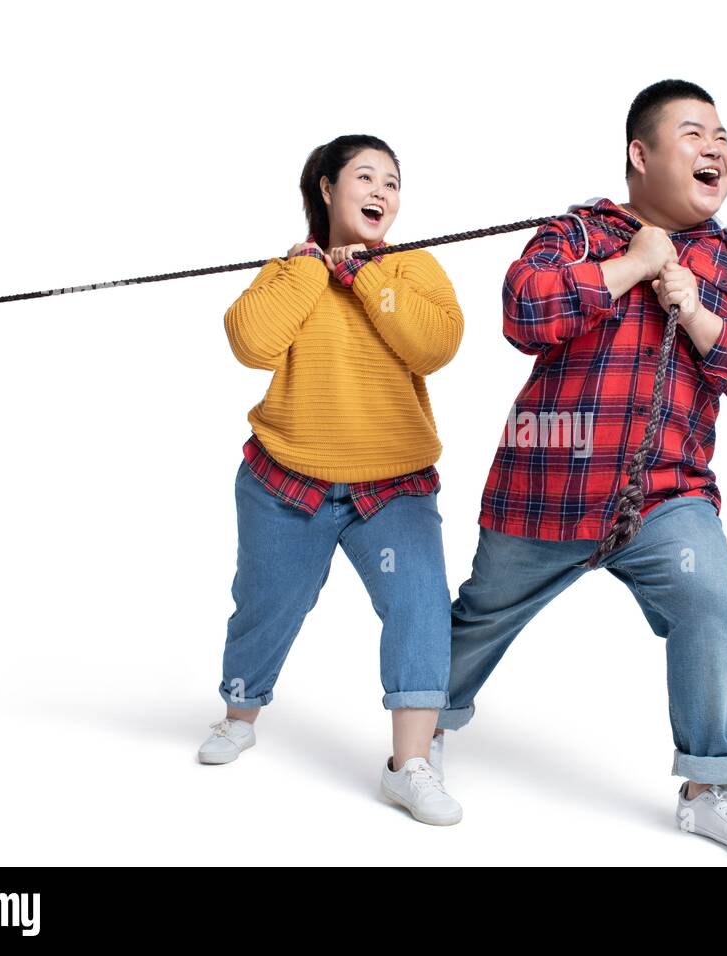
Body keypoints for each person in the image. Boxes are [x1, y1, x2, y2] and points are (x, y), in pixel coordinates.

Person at [433, 80, 727, 856]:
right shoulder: (575, 234)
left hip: (665, 499)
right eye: (694, 133)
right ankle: (420, 733)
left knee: (711, 604)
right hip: (546, 491)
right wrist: (630, 265)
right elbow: (522, 313)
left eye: (723, 136)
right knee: (475, 619)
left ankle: (708, 787)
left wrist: (699, 312)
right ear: (640, 155)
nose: (716, 148)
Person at [199, 134, 467, 827]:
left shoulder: (411, 270)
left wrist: (366, 277)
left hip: (392, 487)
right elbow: (250, 342)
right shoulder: (290, 273)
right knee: (266, 604)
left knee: (421, 607)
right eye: (365, 177)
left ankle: (409, 764)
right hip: (287, 479)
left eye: (394, 182)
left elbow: (434, 346)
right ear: (327, 188)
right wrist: (312, 273)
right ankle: (239, 713)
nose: (382, 192)